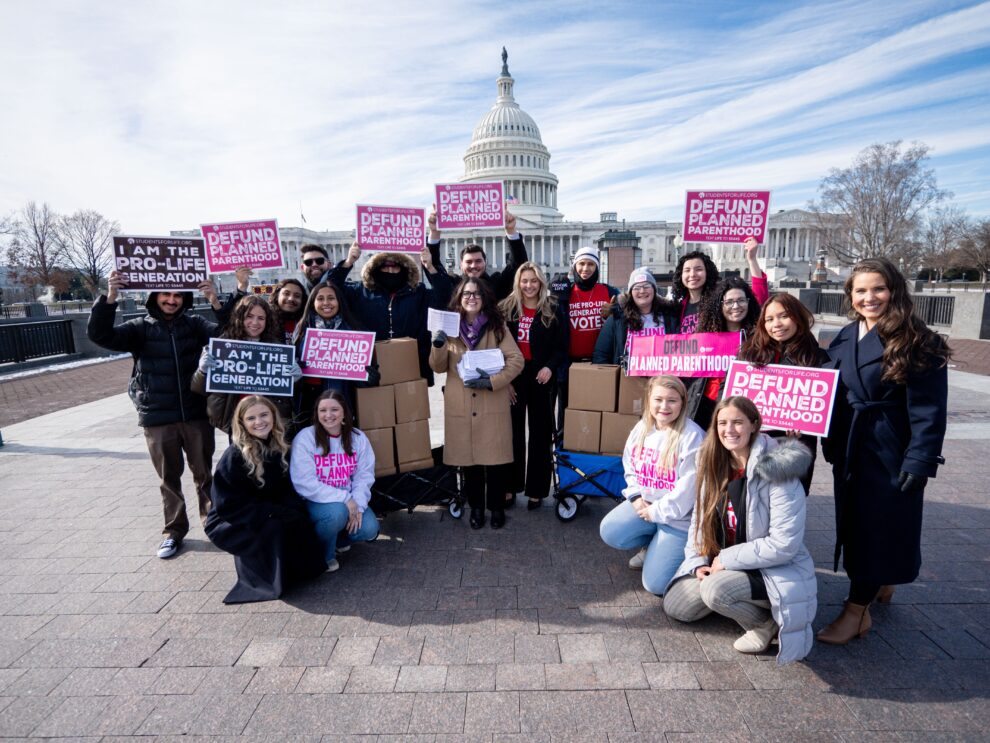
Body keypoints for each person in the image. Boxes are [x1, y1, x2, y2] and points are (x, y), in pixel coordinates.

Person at [818, 257, 950, 644]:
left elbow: (929, 409)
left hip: (891, 446)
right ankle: (881, 581)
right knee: (858, 522)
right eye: (860, 290)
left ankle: (856, 611)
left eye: (878, 288)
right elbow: (830, 389)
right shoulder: (845, 334)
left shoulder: (917, 339)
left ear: (894, 289)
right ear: (850, 295)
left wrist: (921, 459)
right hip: (851, 444)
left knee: (877, 527)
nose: (869, 297)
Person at [663, 397, 818, 664]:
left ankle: (767, 623)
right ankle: (732, 598)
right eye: (722, 423)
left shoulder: (780, 471)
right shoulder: (713, 462)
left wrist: (726, 559)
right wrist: (697, 562)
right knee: (677, 607)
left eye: (738, 422)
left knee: (714, 591)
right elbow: (698, 524)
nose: (729, 430)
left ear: (754, 425)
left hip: (770, 566)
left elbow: (784, 545)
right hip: (724, 561)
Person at [87, 270, 226, 559]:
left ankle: (215, 525)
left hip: (195, 412)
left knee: (205, 475)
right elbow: (101, 335)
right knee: (168, 478)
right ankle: (173, 532)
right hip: (157, 415)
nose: (172, 300)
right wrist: (109, 297)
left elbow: (229, 336)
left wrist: (215, 301)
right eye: (166, 294)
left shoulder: (196, 324)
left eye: (177, 295)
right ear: (155, 297)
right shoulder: (138, 328)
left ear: (184, 298)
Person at [204, 396, 327, 603]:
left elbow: (285, 488)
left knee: (297, 518)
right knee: (273, 526)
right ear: (242, 423)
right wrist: (270, 512)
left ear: (273, 416)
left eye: (264, 415)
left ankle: (296, 570)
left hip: (268, 506)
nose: (259, 422)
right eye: (251, 418)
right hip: (234, 517)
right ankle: (269, 579)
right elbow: (228, 504)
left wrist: (291, 508)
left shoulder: (280, 445)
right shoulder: (234, 456)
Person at [430, 277, 524, 529]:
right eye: (466, 294)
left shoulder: (496, 326)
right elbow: (438, 366)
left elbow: (516, 360)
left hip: (490, 401)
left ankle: (496, 508)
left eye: (476, 294)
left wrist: (493, 381)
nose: (471, 298)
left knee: (494, 461)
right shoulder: (449, 329)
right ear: (459, 299)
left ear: (484, 299)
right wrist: (438, 345)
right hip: (461, 402)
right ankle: (477, 509)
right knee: (469, 461)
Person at [599, 376, 705, 594]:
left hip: (677, 519)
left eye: (672, 401)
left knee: (655, 585)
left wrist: (654, 512)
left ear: (683, 402)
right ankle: (652, 545)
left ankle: (681, 557)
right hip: (646, 506)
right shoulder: (642, 427)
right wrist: (636, 497)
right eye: (658, 399)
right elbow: (629, 466)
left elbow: (686, 492)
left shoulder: (693, 437)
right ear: (649, 400)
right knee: (610, 530)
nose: (664, 406)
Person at [737, 293, 830, 494]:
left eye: (783, 316)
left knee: (787, 504)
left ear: (798, 317)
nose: (776, 324)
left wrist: (804, 426)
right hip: (753, 442)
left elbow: (819, 406)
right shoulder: (748, 354)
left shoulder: (817, 358)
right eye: (769, 319)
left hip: (795, 446)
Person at [327, 242, 452, 385]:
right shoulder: (359, 292)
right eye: (385, 266)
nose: (390, 271)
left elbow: (445, 297)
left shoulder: (418, 292)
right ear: (375, 269)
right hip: (371, 369)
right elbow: (330, 288)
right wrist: (348, 262)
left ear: (404, 269)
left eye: (395, 267)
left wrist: (430, 268)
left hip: (412, 367)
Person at [499, 262, 569, 510]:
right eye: (524, 280)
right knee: (512, 433)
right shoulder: (506, 309)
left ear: (541, 283)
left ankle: (537, 490)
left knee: (540, 434)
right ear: (518, 283)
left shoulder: (552, 307)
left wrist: (550, 366)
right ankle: (509, 486)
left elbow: (562, 347)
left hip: (541, 375)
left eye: (534, 280)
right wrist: (504, 379)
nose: (529, 285)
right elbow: (497, 348)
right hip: (514, 376)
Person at [290, 390, 380, 571]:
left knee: (369, 528)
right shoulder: (305, 438)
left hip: (349, 501)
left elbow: (364, 476)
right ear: (316, 413)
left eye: (334, 409)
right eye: (322, 410)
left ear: (344, 412)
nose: (328, 415)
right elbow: (304, 482)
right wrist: (345, 499)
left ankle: (337, 540)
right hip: (315, 501)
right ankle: (324, 556)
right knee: (336, 513)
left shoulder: (358, 438)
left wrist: (359, 506)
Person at [191, 294, 298, 435]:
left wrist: (295, 380)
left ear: (267, 321)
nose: (255, 322)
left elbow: (288, 396)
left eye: (261, 318)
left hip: (269, 424)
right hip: (236, 423)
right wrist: (203, 371)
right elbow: (198, 389)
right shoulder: (222, 345)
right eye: (249, 316)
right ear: (239, 317)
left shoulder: (277, 349)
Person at [291, 280, 374, 429]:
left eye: (331, 298)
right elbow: (293, 376)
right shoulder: (302, 329)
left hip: (343, 402)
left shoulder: (355, 330)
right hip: (309, 404)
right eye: (320, 298)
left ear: (339, 301)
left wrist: (368, 376)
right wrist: (295, 372)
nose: (326, 303)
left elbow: (366, 380)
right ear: (312, 302)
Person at [554, 246, 620, 428]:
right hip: (569, 364)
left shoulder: (609, 291)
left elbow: (628, 312)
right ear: (575, 266)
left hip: (599, 363)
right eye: (581, 263)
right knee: (567, 413)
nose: (585, 269)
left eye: (591, 264)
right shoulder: (565, 293)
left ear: (597, 267)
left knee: (597, 411)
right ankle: (563, 452)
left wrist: (615, 311)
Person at [686, 277, 763, 430]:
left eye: (741, 300)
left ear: (749, 302)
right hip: (706, 403)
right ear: (719, 305)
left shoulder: (759, 338)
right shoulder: (705, 336)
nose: (736, 306)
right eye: (729, 302)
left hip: (740, 407)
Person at [427, 205, 526, 300]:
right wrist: (434, 232)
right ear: (461, 265)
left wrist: (511, 231)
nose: (473, 265)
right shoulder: (454, 285)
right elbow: (433, 267)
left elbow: (518, 266)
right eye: (469, 262)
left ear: (485, 262)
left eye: (478, 261)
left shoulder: (496, 284)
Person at [672, 238, 768, 334]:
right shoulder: (680, 306)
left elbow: (758, 301)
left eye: (698, 269)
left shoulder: (719, 298)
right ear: (681, 275)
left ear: (707, 272)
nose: (692, 274)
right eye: (687, 270)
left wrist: (752, 260)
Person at [593, 267, 678, 366]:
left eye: (646, 286)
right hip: (628, 380)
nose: (642, 291)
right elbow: (601, 355)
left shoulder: (670, 317)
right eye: (636, 288)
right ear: (630, 293)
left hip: (662, 379)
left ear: (654, 290)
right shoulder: (617, 319)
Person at [269, 278, 307, 344]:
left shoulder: (307, 324)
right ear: (277, 296)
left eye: (297, 296)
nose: (291, 299)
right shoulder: (266, 321)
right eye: (286, 294)